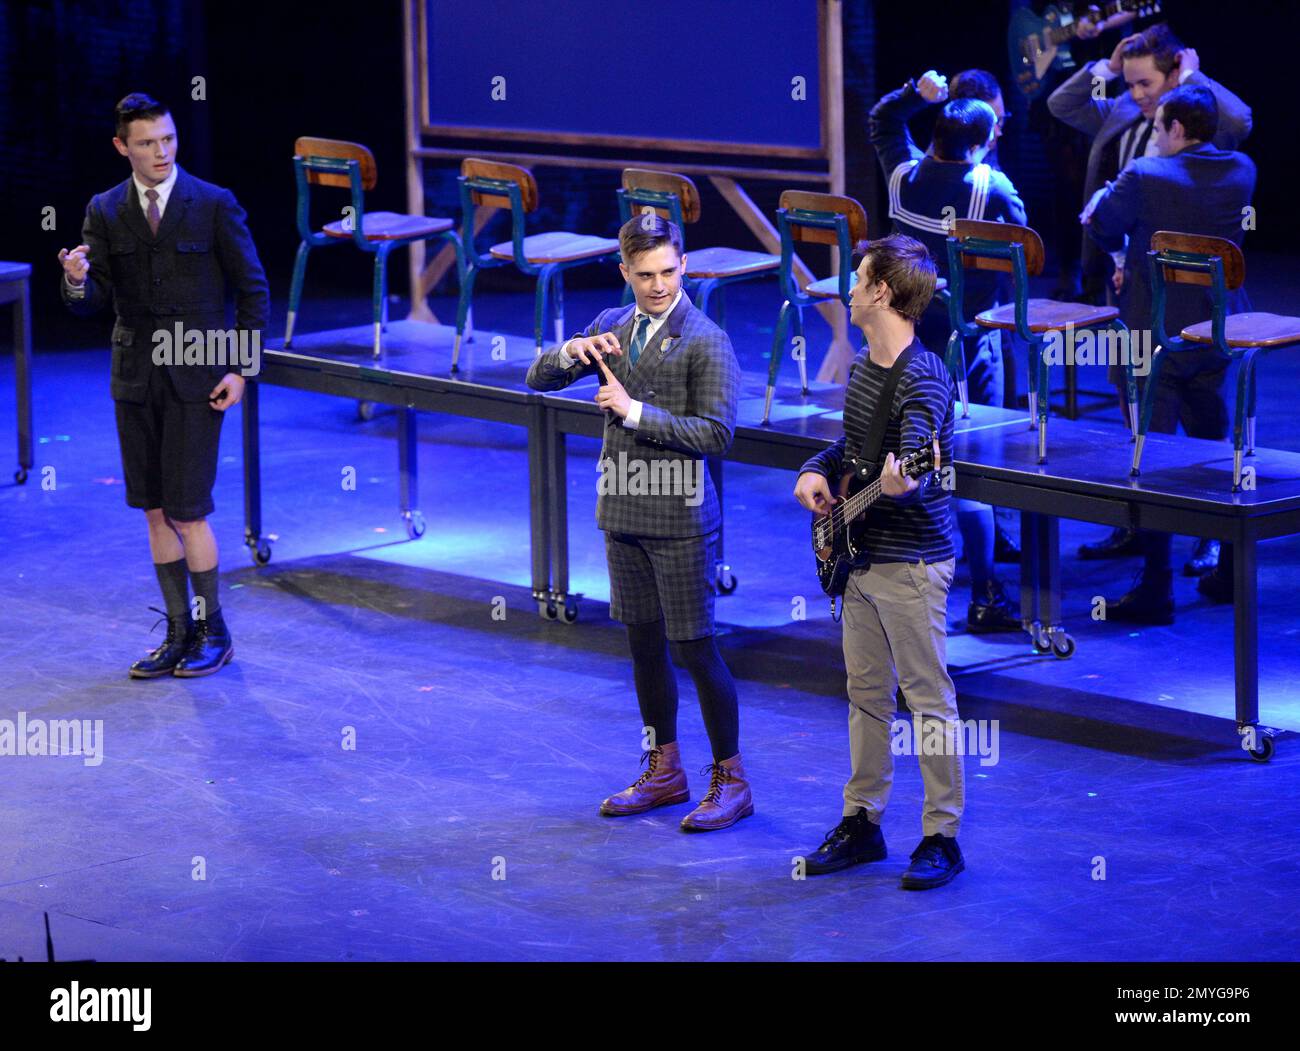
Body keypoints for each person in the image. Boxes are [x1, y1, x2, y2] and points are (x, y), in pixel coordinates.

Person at [525, 215, 750, 832]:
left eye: (669, 272)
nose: (658, 286)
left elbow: (717, 434)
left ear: (684, 267)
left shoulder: (707, 342)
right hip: (622, 510)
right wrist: (571, 351)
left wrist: (634, 410)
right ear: (624, 272)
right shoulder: (610, 327)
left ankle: (731, 779)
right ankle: (665, 768)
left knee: (696, 649)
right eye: (645, 274)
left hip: (679, 518)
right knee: (643, 648)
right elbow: (537, 379)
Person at [58, 93, 268, 678]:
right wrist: (77, 280)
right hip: (134, 378)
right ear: (123, 146)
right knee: (155, 511)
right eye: (148, 142)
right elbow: (93, 299)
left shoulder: (212, 203)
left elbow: (252, 290)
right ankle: (178, 632)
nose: (162, 152)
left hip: (197, 374)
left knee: (189, 510)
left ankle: (212, 630)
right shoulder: (104, 209)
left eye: (169, 139)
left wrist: (240, 368)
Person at [793, 234, 963, 890]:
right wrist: (815, 469)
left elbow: (916, 455)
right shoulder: (866, 366)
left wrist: (905, 478)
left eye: (858, 278)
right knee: (865, 693)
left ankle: (942, 835)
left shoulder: (924, 377)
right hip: (861, 553)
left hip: (911, 559)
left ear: (881, 292)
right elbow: (851, 447)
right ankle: (862, 820)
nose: (850, 287)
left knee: (927, 698)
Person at [1049, 22, 1251, 567]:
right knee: (1134, 407)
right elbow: (1061, 102)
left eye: (1146, 85)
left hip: (1165, 294)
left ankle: (1200, 533)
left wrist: (1194, 77)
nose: (1137, 95)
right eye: (1131, 84)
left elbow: (1239, 119)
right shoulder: (1121, 112)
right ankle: (1139, 524)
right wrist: (1108, 69)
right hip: (1126, 277)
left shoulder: (1201, 125)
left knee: (1180, 415)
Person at [1084, 85, 1256, 621]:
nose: (1153, 136)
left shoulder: (1145, 174)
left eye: (1159, 126)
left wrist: (1103, 201)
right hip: (1217, 327)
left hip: (1153, 333)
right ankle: (1227, 566)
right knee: (1214, 454)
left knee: (1151, 458)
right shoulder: (1243, 169)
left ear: (1177, 129)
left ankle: (1156, 587)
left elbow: (1102, 223)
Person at [869, 71, 1025, 633]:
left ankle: (896, 586)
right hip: (963, 343)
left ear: (932, 138)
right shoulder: (990, 185)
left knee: (907, 458)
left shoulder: (902, 174)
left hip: (901, 342)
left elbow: (883, 121)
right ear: (982, 145)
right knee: (968, 466)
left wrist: (915, 92)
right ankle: (985, 593)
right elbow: (1023, 249)